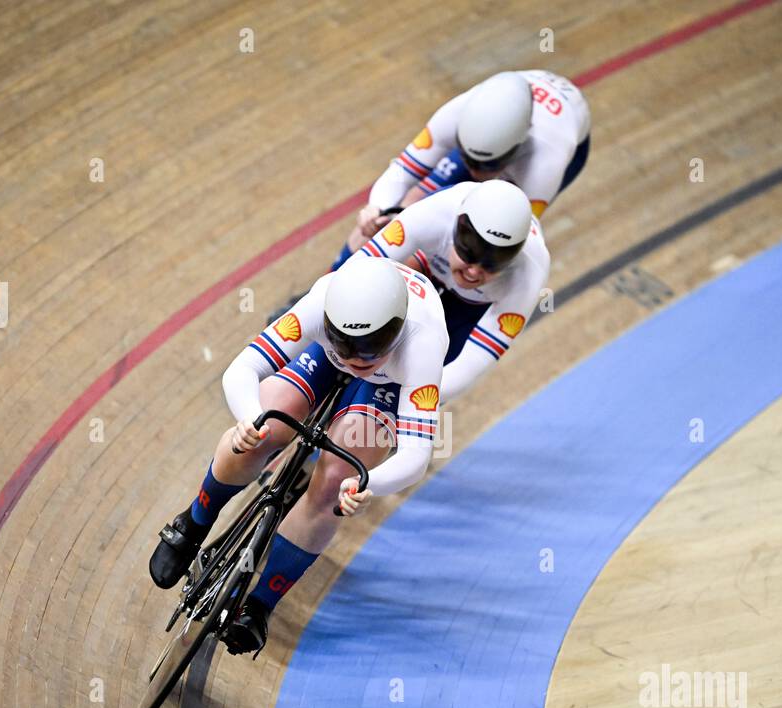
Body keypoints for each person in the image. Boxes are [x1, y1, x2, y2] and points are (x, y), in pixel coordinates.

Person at [149, 256, 449, 655]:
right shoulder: (323, 297)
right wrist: (249, 421)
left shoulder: (424, 342)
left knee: (335, 483)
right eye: (345, 342)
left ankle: (259, 606)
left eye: (369, 347)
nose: (356, 358)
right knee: (265, 430)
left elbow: (416, 452)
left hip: (389, 386)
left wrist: (367, 484)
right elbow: (243, 368)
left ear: (396, 333)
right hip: (322, 356)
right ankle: (194, 522)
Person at [330, 69, 590, 270]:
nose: (476, 172)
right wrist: (377, 209)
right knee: (403, 207)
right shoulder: (456, 114)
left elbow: (517, 241)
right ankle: (330, 281)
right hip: (498, 131)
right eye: (470, 160)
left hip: (558, 145)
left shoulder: (545, 162)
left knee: (477, 244)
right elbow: (401, 172)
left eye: (488, 166)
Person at [353, 178, 549, 403]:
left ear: (513, 257)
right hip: (429, 262)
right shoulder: (435, 214)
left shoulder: (531, 269)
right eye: (469, 253)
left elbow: (472, 361)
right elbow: (355, 273)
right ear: (457, 231)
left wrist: (411, 397)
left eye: (492, 263)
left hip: (470, 307)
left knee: (418, 382)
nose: (474, 272)